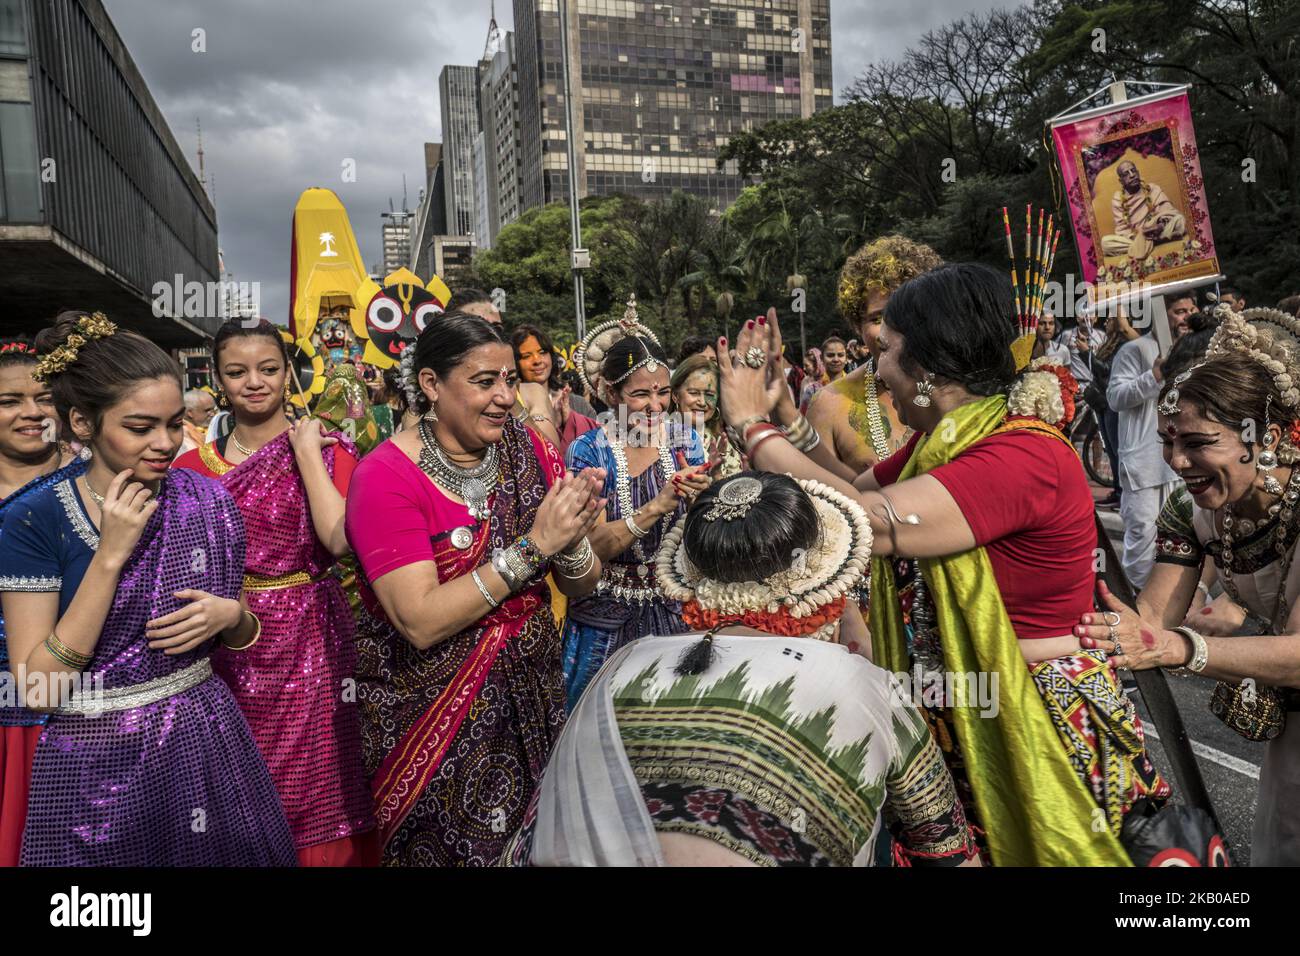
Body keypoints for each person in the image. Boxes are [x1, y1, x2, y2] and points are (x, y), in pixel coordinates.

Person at [717, 265, 1168, 865]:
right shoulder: (946, 440)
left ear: (927, 366)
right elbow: (848, 484)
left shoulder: (1021, 451)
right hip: (958, 707)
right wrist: (785, 417)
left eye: (886, 350)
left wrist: (750, 426)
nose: (874, 370)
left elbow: (869, 521)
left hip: (1033, 720)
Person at [504, 473, 979, 867]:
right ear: (818, 571)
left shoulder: (624, 664)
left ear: (691, 571)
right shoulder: (870, 688)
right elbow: (948, 852)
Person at [0, 311, 295, 865]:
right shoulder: (33, 518)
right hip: (94, 768)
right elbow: (38, 689)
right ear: (82, 423)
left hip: (205, 741)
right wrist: (109, 556)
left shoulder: (206, 498)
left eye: (174, 422)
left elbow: (246, 635)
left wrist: (231, 617)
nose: (165, 443)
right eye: (140, 427)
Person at [344, 311, 605, 866]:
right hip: (429, 723)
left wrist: (573, 536)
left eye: (510, 380)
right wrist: (535, 547)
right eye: (484, 382)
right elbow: (419, 620)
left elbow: (579, 587)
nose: (505, 397)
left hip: (534, 695)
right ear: (431, 385)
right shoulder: (385, 475)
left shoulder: (531, 450)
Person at [1076, 307, 1300, 865]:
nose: (1177, 462)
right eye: (1168, 442)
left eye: (1198, 443)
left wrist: (1184, 648)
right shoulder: (1192, 510)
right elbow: (1151, 625)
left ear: (1262, 437)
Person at [172, 319, 376, 867]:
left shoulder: (331, 452)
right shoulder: (191, 468)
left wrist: (307, 452)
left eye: (268, 369)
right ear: (217, 379)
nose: (254, 383)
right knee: (236, 775)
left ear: (289, 373)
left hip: (313, 635)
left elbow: (342, 543)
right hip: (220, 639)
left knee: (322, 778)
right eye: (237, 372)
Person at [562, 316, 711, 709]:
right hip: (605, 618)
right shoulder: (588, 451)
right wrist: (657, 505)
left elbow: (701, 534)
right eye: (640, 394)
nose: (655, 405)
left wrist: (703, 503)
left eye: (662, 392)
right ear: (611, 394)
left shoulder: (685, 439)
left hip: (675, 609)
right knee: (599, 725)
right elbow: (589, 547)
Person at [0, 340, 84, 866]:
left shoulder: (96, 480)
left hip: (78, 706)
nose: (31, 413)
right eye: (9, 401)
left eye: (44, 398)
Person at [808, 235, 942, 474]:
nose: (891, 331)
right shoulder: (828, 405)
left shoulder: (961, 388)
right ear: (857, 326)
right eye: (877, 318)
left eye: (907, 314)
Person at [1108, 295, 1193, 587]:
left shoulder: (1197, 350)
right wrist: (1156, 372)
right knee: (1143, 536)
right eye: (1179, 311)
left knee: (1186, 535)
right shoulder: (1134, 350)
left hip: (1184, 460)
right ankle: (1141, 604)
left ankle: (1180, 602)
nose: (1186, 317)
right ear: (1160, 314)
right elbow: (1116, 398)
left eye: (1190, 310)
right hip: (1144, 462)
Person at [512, 324, 598, 454]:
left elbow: (600, 447)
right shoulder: (510, 405)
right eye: (526, 356)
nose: (537, 361)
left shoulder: (578, 404)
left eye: (542, 353)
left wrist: (571, 420)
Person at [670, 352, 743, 478]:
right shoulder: (660, 438)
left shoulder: (721, 441)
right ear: (675, 396)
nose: (703, 402)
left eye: (709, 395)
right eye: (694, 393)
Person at [1101, 160, 1187, 258]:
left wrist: (1160, 226)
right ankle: (1158, 240)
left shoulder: (1153, 189)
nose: (1132, 175)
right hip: (1136, 237)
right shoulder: (1118, 199)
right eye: (1126, 174)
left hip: (1158, 230)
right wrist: (1140, 236)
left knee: (1179, 219)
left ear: (1138, 172)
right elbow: (1122, 229)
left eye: (1133, 171)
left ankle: (1149, 241)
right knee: (1105, 243)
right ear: (1121, 181)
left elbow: (1167, 211)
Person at [179, 388, 215, 454]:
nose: (212, 414)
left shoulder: (213, 428)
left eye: (213, 410)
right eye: (207, 410)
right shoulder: (181, 436)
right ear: (190, 413)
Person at [798, 346, 826, 412]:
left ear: (817, 364)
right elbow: (801, 404)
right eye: (803, 365)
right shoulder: (805, 381)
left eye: (807, 365)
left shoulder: (827, 379)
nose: (804, 369)